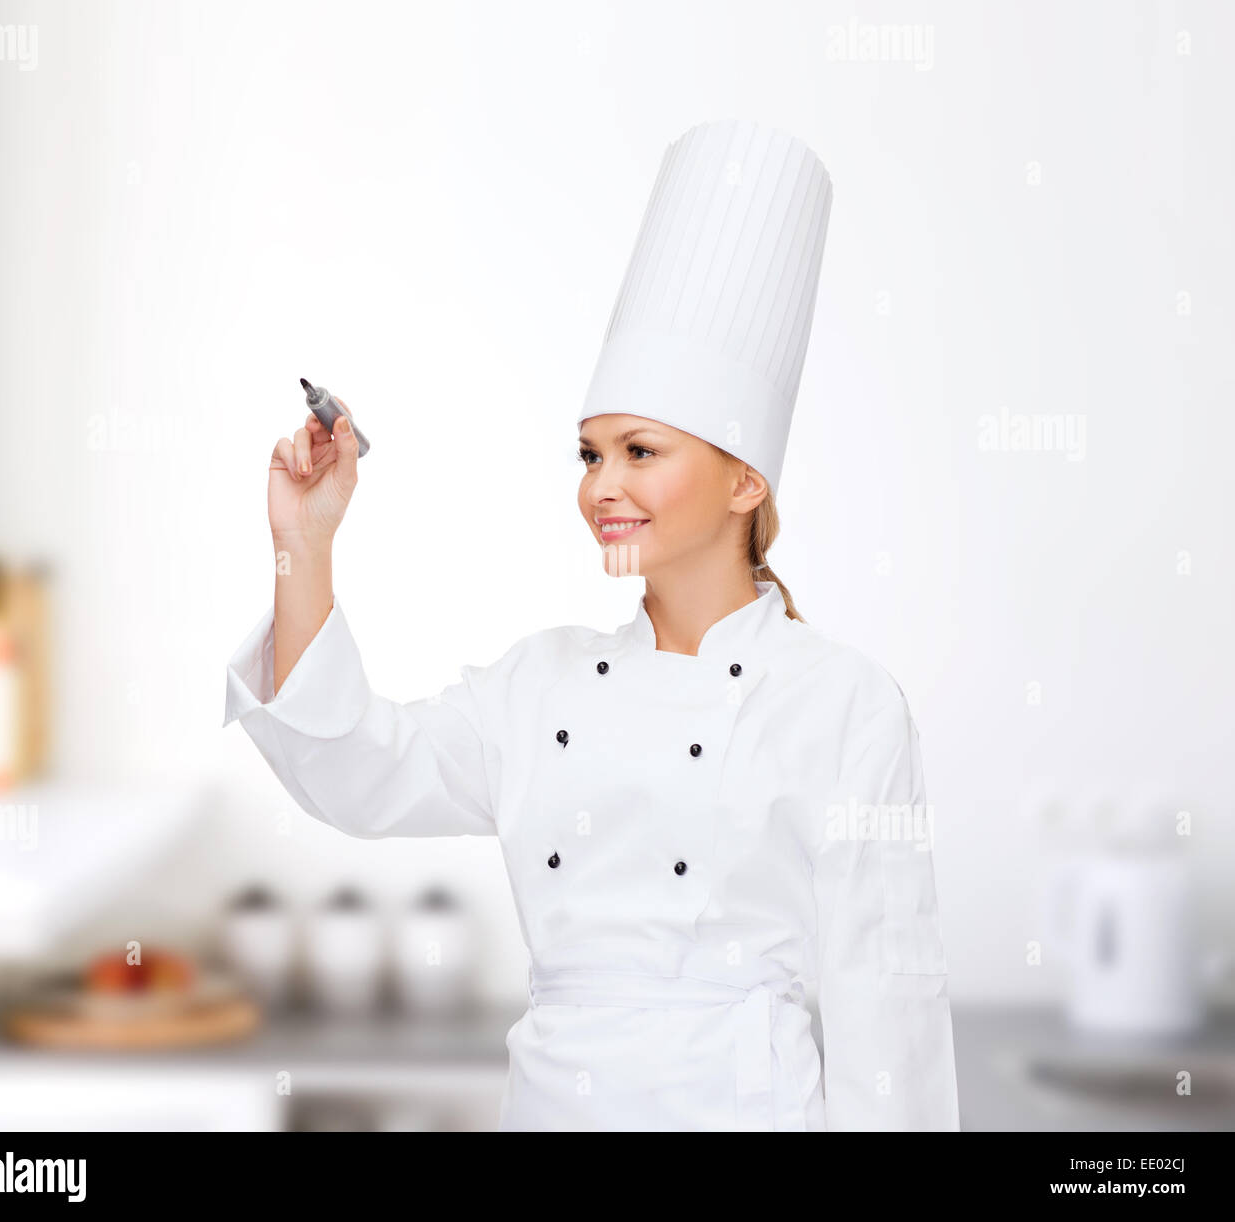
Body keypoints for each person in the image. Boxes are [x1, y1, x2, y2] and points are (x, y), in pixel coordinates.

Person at [224, 119, 960, 1131]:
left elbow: (891, 1009)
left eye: (640, 451)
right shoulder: (542, 686)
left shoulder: (845, 705)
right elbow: (352, 771)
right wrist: (304, 544)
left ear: (745, 479)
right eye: (589, 455)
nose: (601, 487)